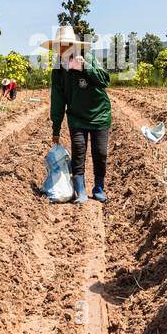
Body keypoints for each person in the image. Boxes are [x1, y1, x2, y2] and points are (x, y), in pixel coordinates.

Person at [46, 25, 111, 203]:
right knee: (79, 151)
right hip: (76, 117)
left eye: (67, 45)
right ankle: (80, 190)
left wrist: (84, 67)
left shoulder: (87, 58)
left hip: (99, 115)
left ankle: (98, 188)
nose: (63, 49)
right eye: (60, 45)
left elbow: (105, 80)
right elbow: (58, 99)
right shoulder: (58, 69)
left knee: (100, 153)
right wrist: (56, 127)